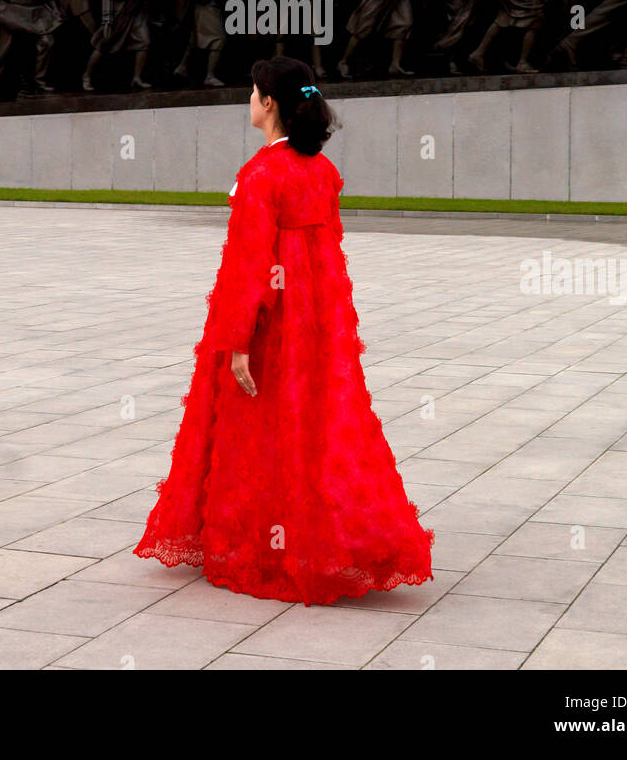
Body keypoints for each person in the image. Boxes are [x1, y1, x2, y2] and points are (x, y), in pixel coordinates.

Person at [134, 56, 434, 605]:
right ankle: (332, 539)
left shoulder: (262, 173)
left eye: (252, 92)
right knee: (315, 429)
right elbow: (328, 257)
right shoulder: (320, 171)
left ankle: (263, 546)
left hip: (272, 325)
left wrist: (237, 340)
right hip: (314, 322)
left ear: (269, 103)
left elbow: (248, 266)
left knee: (259, 429)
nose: (248, 100)